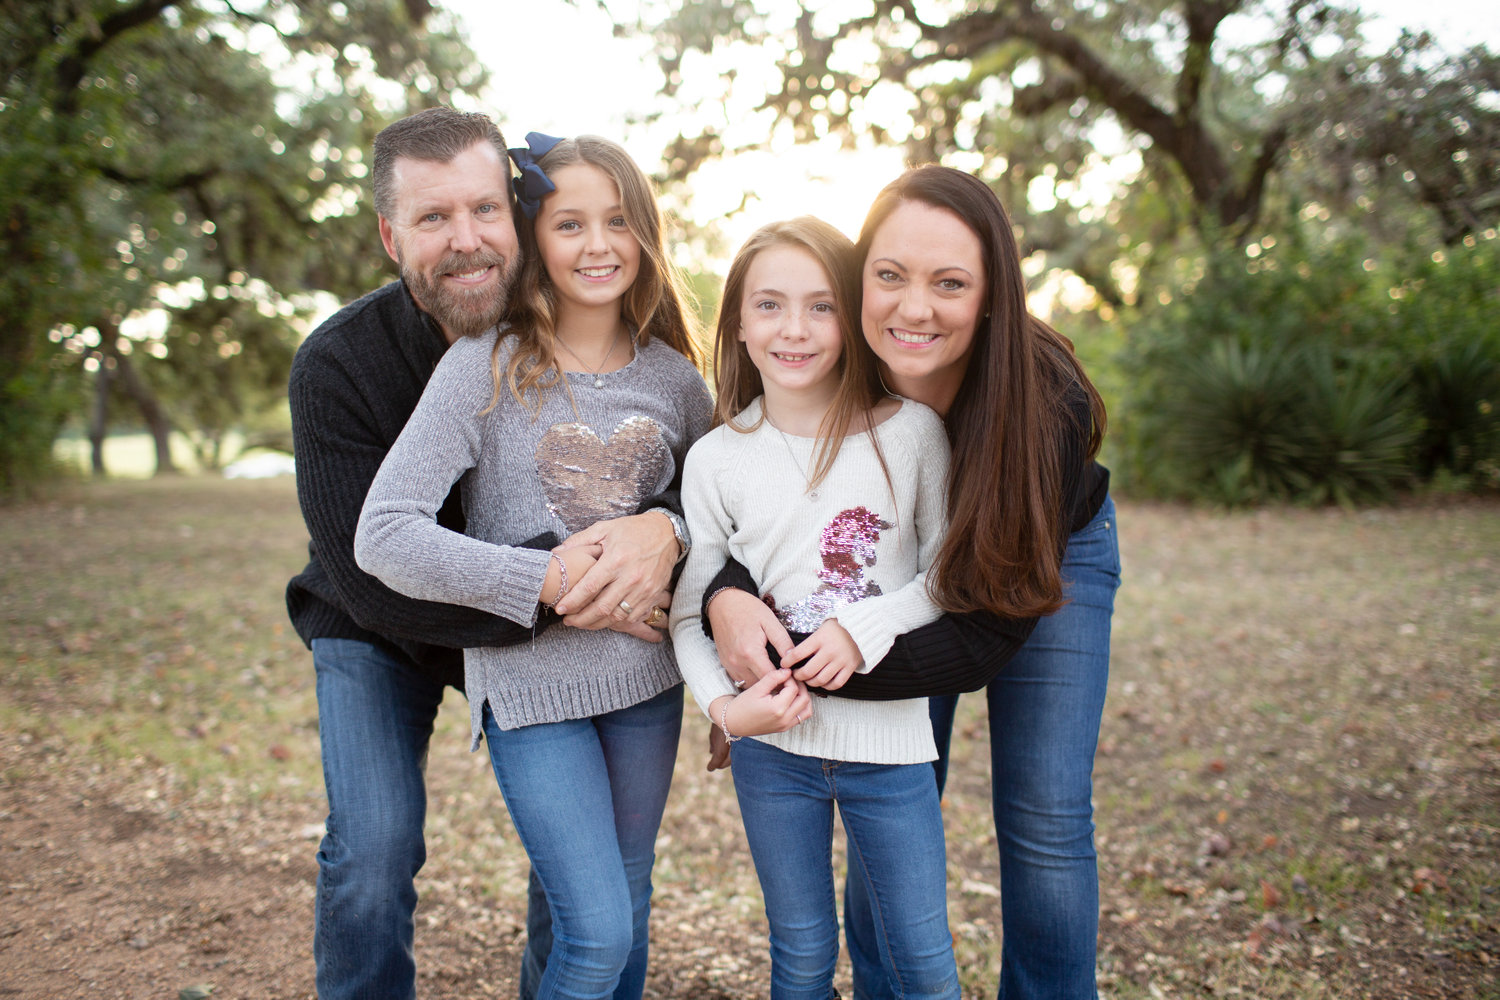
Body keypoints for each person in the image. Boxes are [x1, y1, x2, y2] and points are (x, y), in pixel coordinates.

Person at [286, 110, 688, 1000]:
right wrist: (561, 586)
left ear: (518, 215)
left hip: (554, 627)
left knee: (586, 882)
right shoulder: (338, 363)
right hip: (380, 623)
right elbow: (371, 569)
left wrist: (666, 530)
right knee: (376, 842)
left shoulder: (579, 325)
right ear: (393, 236)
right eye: (433, 219)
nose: (465, 241)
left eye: (484, 211)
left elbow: (684, 472)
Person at [704, 167, 1119, 1000]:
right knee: (886, 788)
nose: (913, 308)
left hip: (1037, 566)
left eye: (951, 283)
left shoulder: (1045, 401)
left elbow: (983, 633)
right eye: (889, 276)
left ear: (994, 293)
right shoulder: (829, 356)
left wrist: (804, 667)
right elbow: (757, 497)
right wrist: (724, 592)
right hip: (880, 582)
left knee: (1043, 817)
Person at [671, 217, 961, 1000]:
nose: (793, 329)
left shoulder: (912, 436)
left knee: (924, 965)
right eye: (769, 305)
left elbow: (946, 579)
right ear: (737, 320)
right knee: (799, 961)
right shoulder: (716, 458)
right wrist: (727, 713)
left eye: (821, 306)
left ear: (853, 319)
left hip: (892, 749)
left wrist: (865, 628)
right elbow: (690, 613)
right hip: (773, 758)